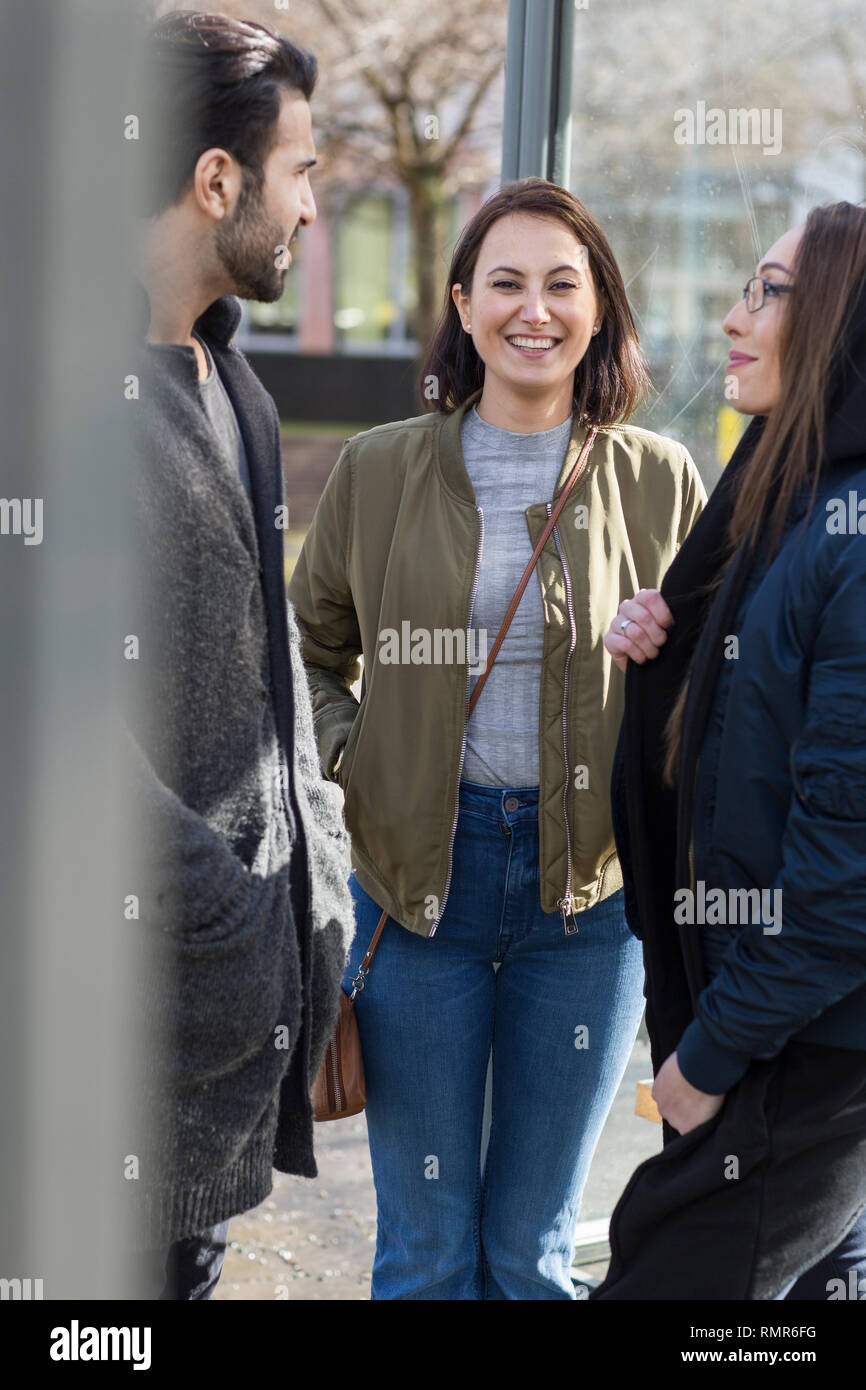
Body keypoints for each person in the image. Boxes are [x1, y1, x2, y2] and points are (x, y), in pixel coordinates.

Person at [288, 177, 707, 1299]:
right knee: (426, 1252)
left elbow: (717, 684)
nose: (535, 310)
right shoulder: (379, 467)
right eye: (506, 283)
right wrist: (352, 753)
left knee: (530, 1251)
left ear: (598, 310)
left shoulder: (656, 478)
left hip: (589, 903)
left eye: (561, 285)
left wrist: (666, 650)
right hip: (422, 890)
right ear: (463, 307)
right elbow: (303, 648)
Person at [596, 201, 866, 1300]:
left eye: (764, 290)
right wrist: (665, 645)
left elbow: (845, 881)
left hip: (794, 1048)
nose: (728, 317)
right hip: (773, 1028)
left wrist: (705, 1062)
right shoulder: (783, 504)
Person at [125, 12, 353, 1299]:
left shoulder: (236, 388)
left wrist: (310, 882)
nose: (311, 207)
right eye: (302, 169)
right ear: (218, 181)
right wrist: (231, 921)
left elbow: (270, 679)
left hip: (214, 1087)